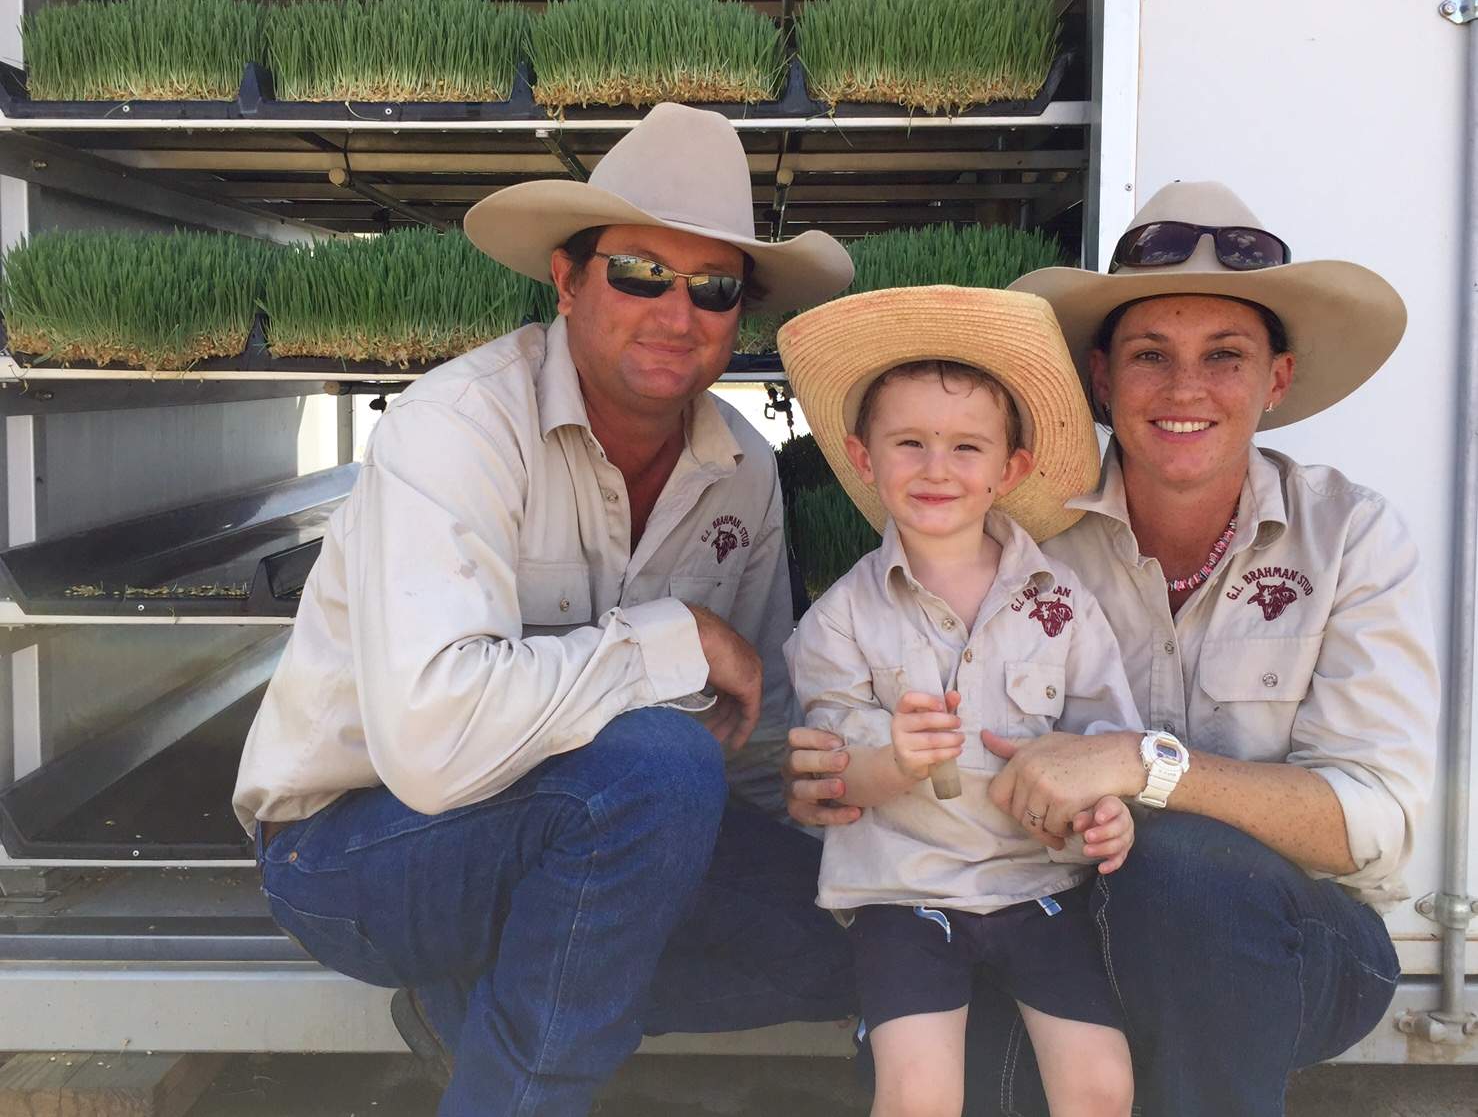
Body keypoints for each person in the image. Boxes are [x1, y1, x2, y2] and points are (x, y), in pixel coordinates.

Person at [232, 103, 858, 1117]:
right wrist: (674, 641)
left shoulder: (739, 467)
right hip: (356, 848)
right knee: (654, 763)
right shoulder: (457, 429)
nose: (675, 311)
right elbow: (434, 749)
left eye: (712, 289)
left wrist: (845, 806)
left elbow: (751, 724)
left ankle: (478, 1017)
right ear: (565, 282)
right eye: (639, 273)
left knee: (853, 933)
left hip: (591, 840)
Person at [784, 182, 1438, 1115]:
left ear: (1276, 379)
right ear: (1101, 377)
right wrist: (841, 770)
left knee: (1184, 877)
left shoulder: (1351, 540)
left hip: (1288, 940)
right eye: (1149, 355)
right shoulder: (1012, 540)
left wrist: (1141, 765)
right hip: (1052, 912)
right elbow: (875, 733)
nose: (1184, 388)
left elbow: (1373, 822)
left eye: (1225, 355)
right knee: (960, 1069)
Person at [778, 286, 1143, 1117]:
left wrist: (1109, 811)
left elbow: (1104, 741)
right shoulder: (839, 619)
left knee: (1100, 1082)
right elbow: (833, 783)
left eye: (966, 447)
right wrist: (894, 760)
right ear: (863, 458)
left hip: (1040, 884)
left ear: (1009, 470)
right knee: (916, 1093)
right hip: (904, 891)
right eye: (908, 442)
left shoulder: (1062, 600)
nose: (936, 468)